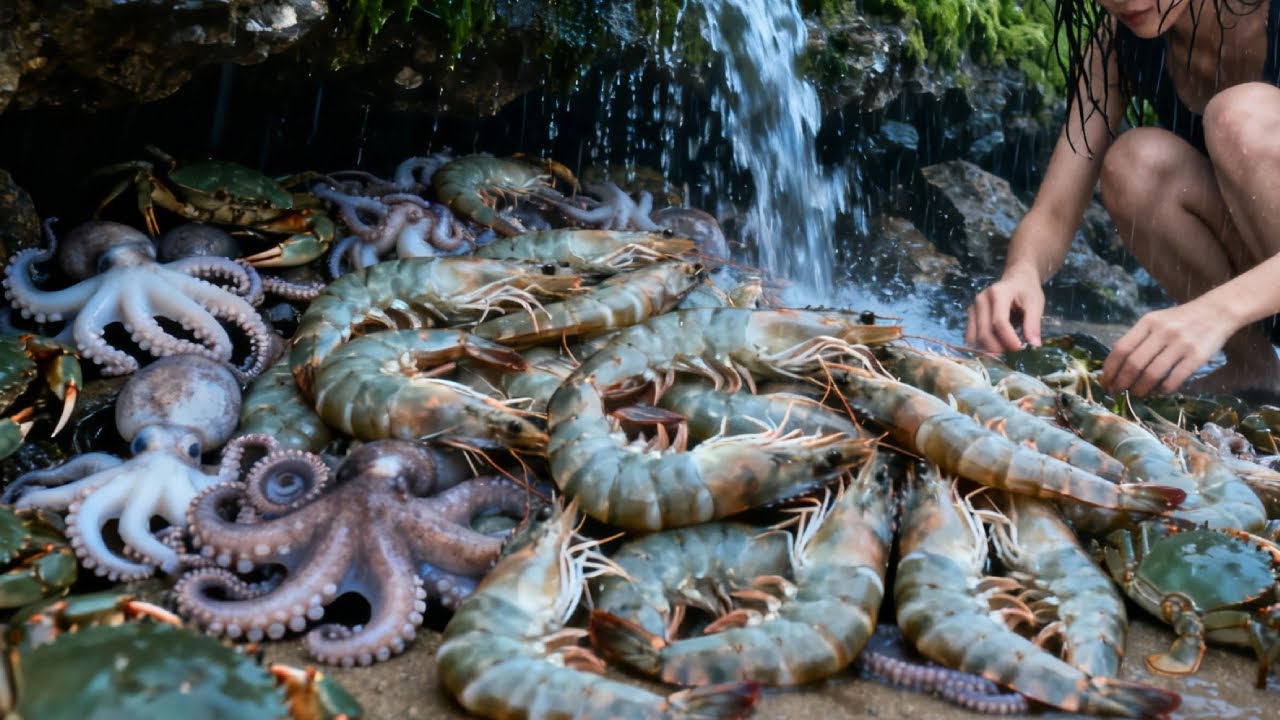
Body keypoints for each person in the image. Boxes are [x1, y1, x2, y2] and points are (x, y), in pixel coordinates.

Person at [965, 0, 1280, 397]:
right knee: (1136, 163)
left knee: (1238, 117)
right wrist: (1020, 274)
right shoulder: (1119, 45)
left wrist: (1214, 312)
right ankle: (1254, 368)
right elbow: (1053, 213)